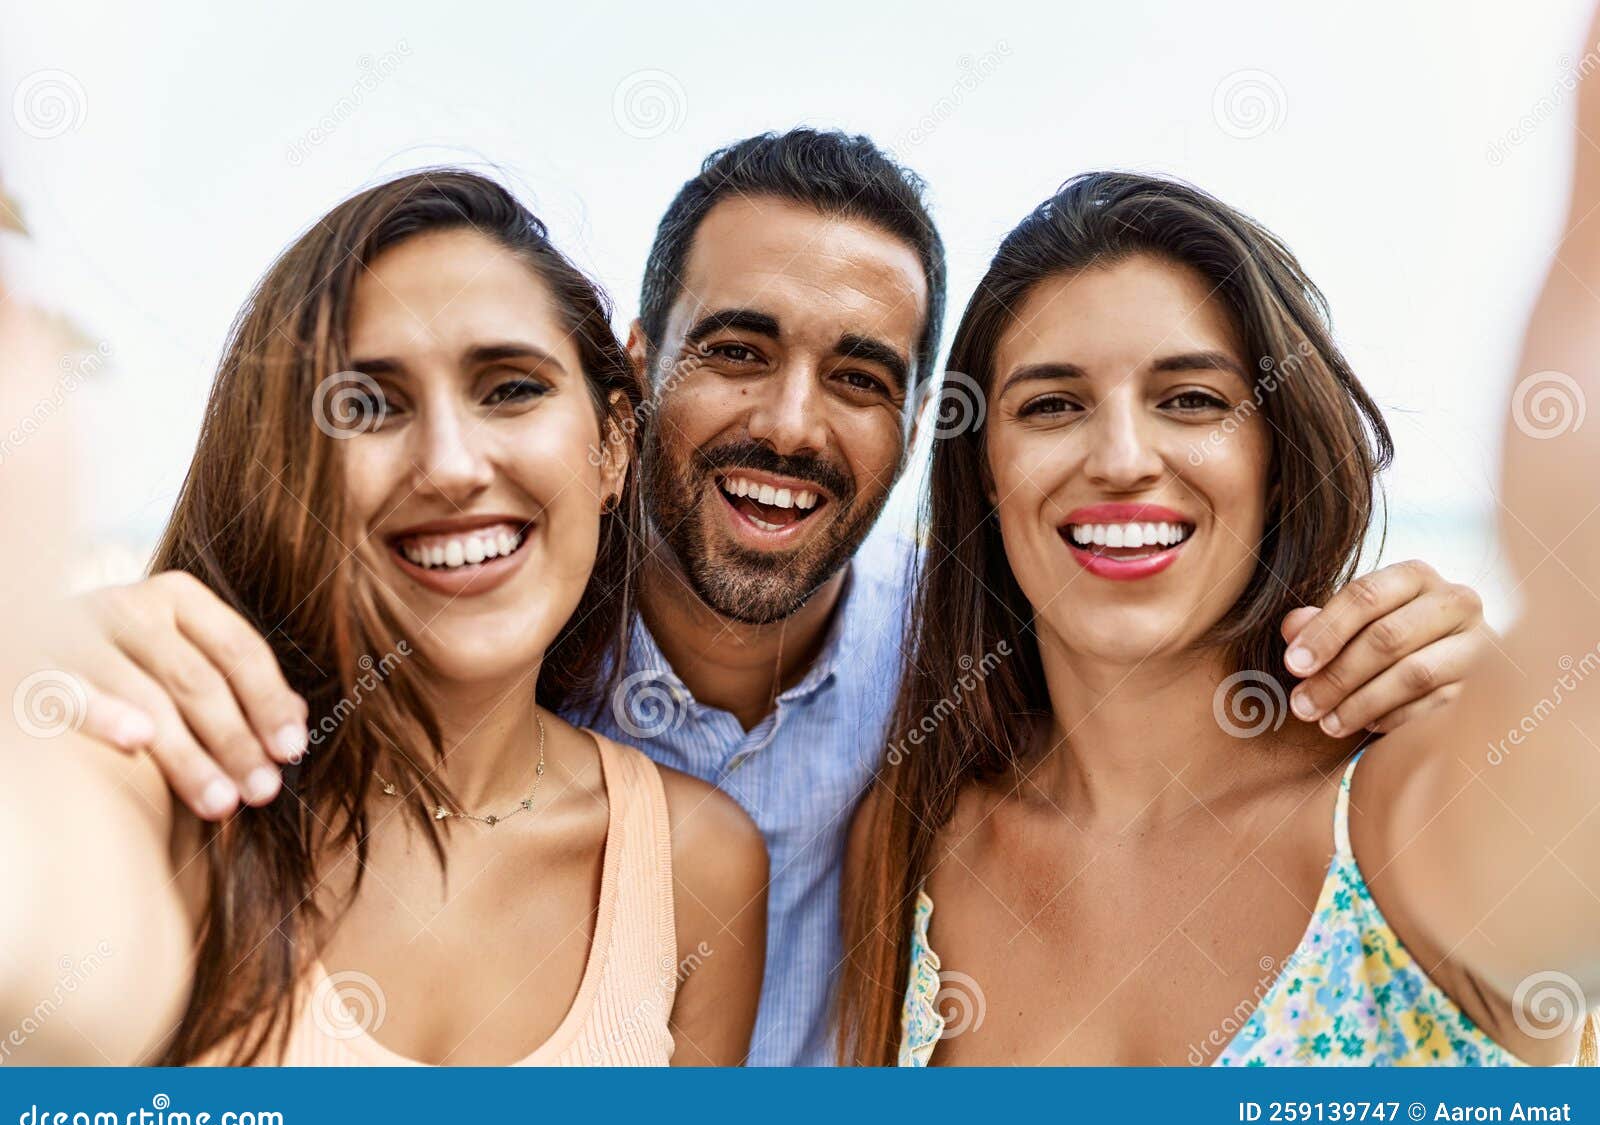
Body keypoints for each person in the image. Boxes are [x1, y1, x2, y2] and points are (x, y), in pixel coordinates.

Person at [58, 133, 1492, 1066]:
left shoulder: (959, 719)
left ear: (927, 422)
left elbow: (1158, 631)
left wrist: (1436, 659)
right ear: (631, 387)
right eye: (737, 351)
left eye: (863, 377)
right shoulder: (451, 635)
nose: (794, 425)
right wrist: (57, 659)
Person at [840, 147, 1600, 1064]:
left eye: (1192, 400)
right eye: (1051, 406)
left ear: (1277, 459)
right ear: (984, 472)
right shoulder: (913, 838)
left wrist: (1540, 662)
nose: (1121, 458)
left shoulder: (1403, 814)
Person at [3, 170, 766, 1065]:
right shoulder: (165, 786)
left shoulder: (696, 867)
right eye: (366, 405)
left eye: (511, 387)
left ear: (612, 446)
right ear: (293, 471)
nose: (448, 464)